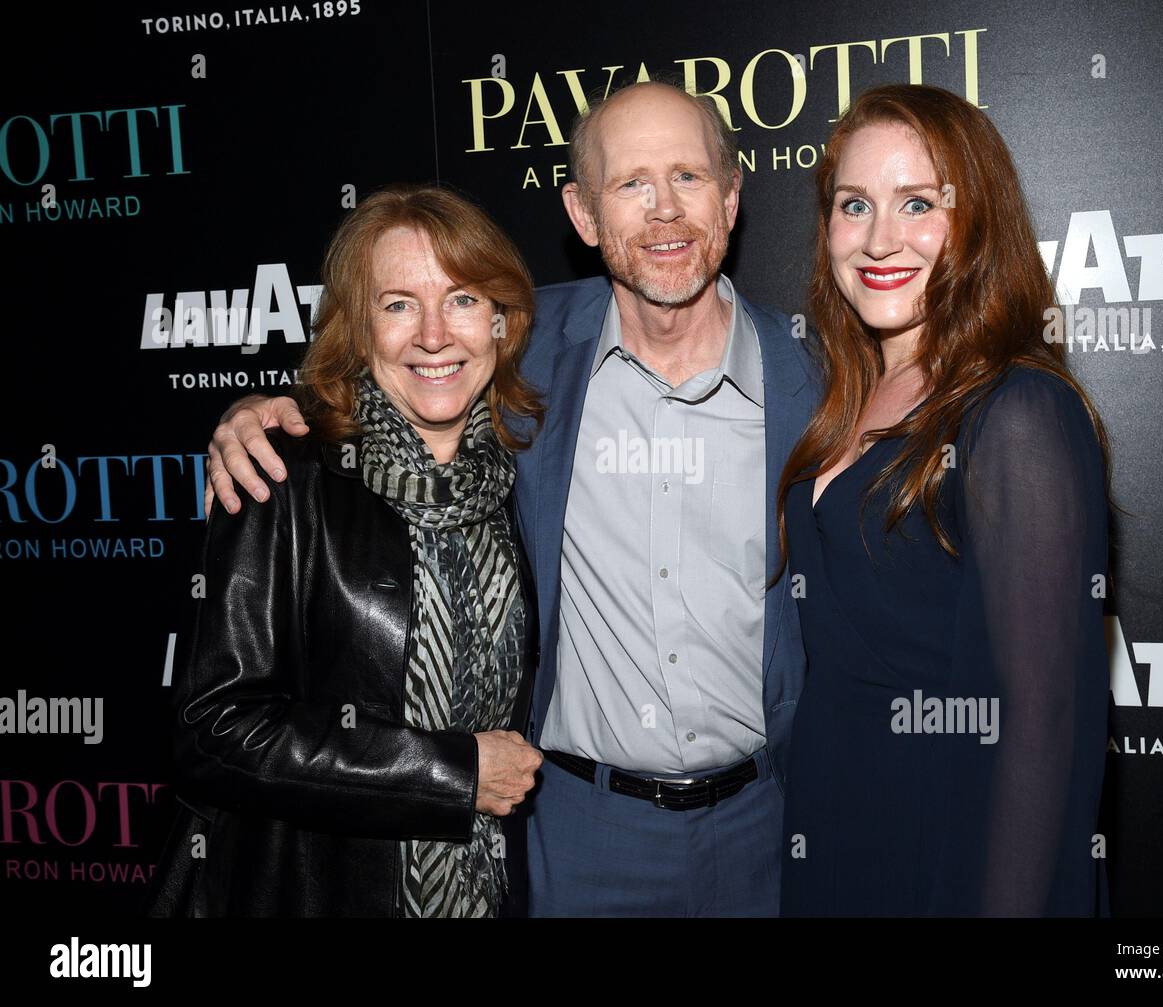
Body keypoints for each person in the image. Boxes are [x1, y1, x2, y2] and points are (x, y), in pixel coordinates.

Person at [202, 80, 821, 917]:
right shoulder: (527, 359)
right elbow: (401, 362)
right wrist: (260, 413)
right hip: (575, 833)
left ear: (734, 195)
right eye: (631, 183)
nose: (665, 211)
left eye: (689, 177)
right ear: (583, 214)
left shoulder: (817, 379)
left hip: (767, 826)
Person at [148, 184, 545, 918]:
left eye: (460, 299)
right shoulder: (284, 474)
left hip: (490, 891)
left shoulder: (525, 474)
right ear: (359, 330)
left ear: (502, 321)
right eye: (397, 304)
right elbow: (214, 728)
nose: (433, 334)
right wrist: (448, 775)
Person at [775, 84, 1111, 916]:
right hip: (838, 839)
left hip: (948, 855)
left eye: (917, 203)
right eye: (855, 205)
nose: (880, 238)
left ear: (975, 219)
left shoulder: (1018, 409)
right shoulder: (844, 395)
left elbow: (1044, 727)